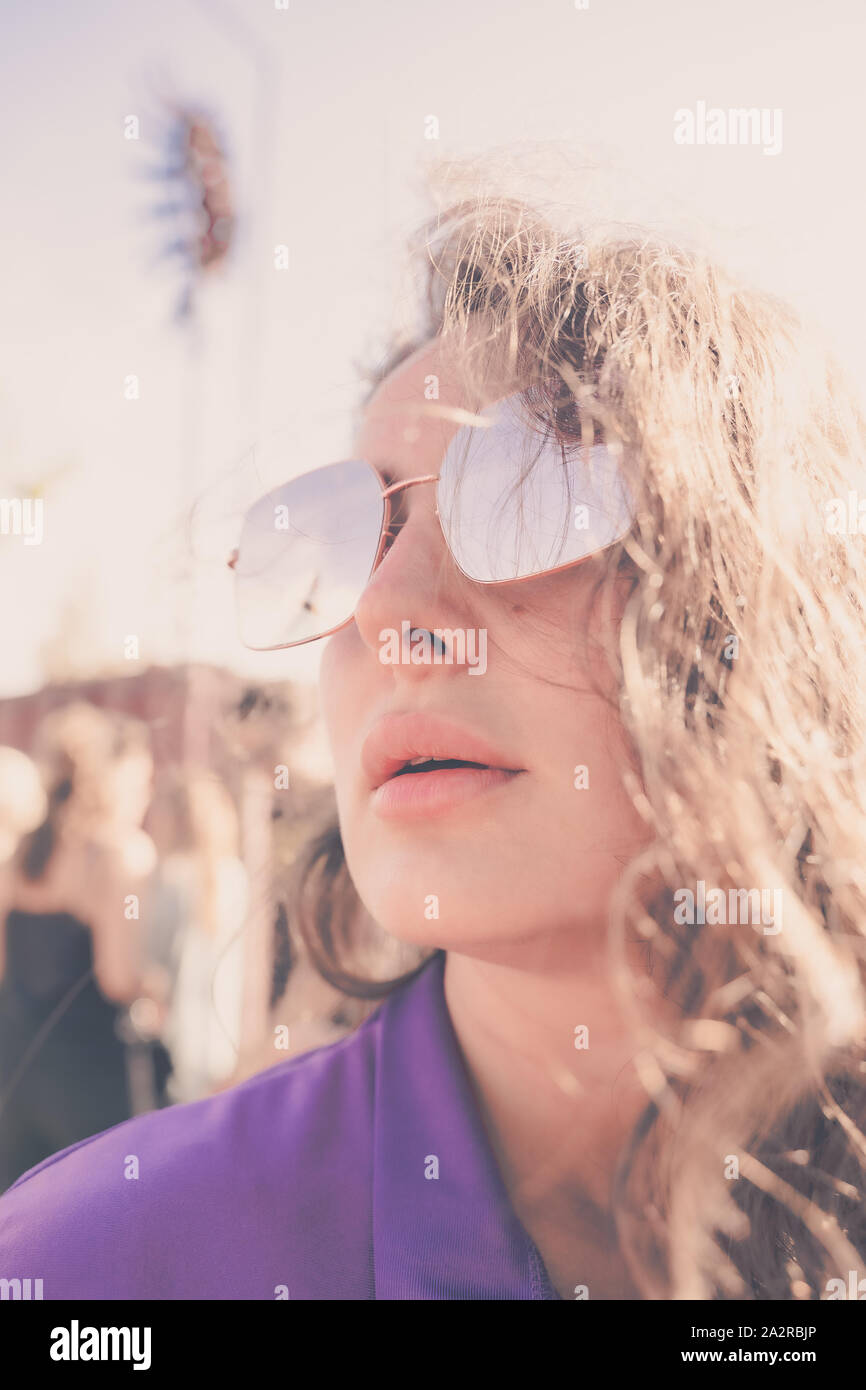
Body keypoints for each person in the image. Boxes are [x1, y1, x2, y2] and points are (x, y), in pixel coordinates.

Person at [2, 170, 866, 1299]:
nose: (383, 607)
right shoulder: (100, 1267)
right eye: (345, 531)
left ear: (753, 608)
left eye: (522, 488)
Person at [0, 703, 157, 1190]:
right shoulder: (114, 856)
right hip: (89, 1079)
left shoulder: (17, 854)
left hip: (17, 1070)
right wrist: (156, 987)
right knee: (105, 1220)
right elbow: (116, 978)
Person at [146, 770, 247, 1103]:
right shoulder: (235, 877)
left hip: (176, 1041)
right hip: (222, 1038)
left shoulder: (170, 880)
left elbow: (153, 960)